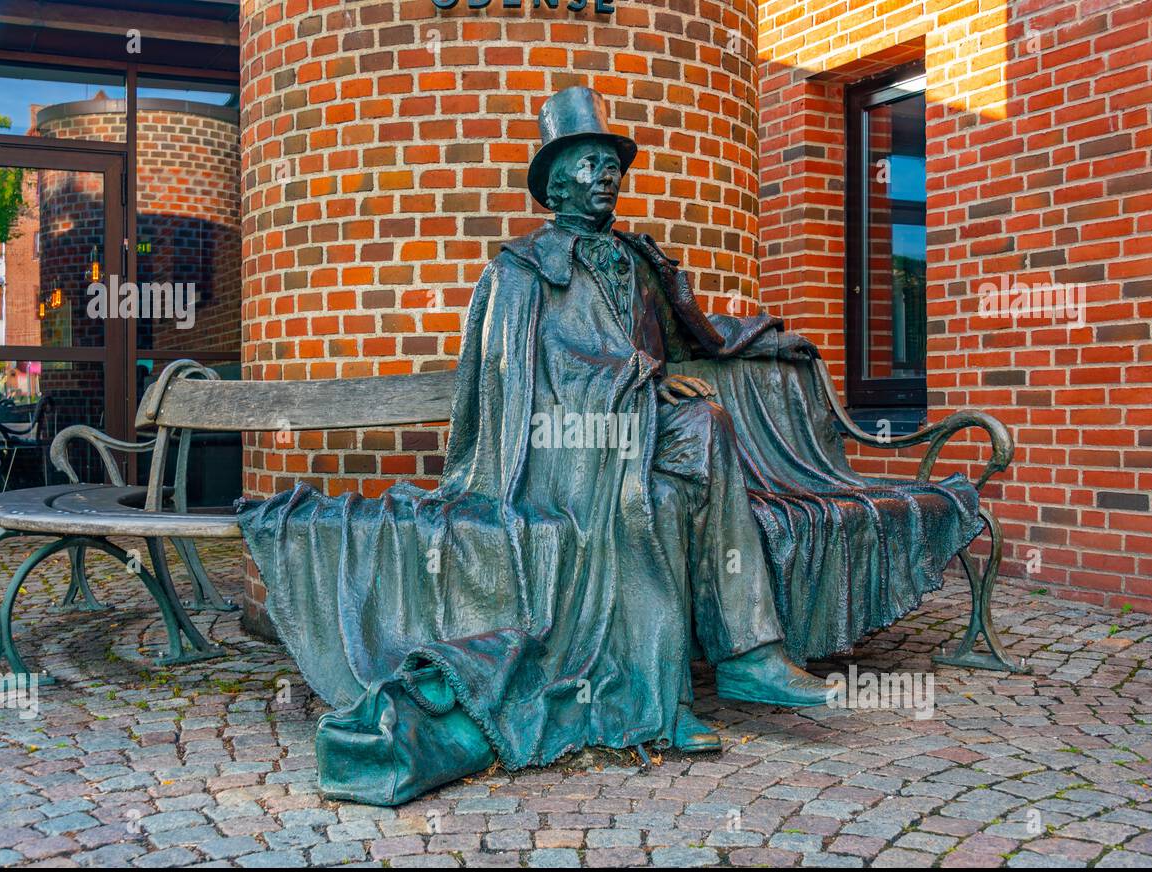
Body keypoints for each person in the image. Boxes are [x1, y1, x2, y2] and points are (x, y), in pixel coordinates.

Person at [240, 87, 980, 801]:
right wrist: (636, 385)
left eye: (612, 167)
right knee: (667, 472)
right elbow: (518, 379)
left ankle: (730, 667)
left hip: (633, 440)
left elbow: (704, 336)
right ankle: (682, 694)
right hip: (552, 453)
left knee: (686, 453)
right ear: (556, 183)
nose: (606, 179)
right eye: (589, 167)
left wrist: (766, 344)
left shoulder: (635, 260)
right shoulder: (520, 269)